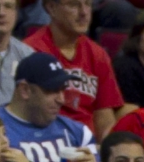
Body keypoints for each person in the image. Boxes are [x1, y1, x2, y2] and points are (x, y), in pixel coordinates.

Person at [24, 0, 123, 140]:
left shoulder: (98, 54)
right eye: (74, 5)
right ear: (51, 7)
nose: (83, 12)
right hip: (46, 142)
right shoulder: (30, 51)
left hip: (88, 147)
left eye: (88, 4)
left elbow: (104, 119)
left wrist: (106, 152)